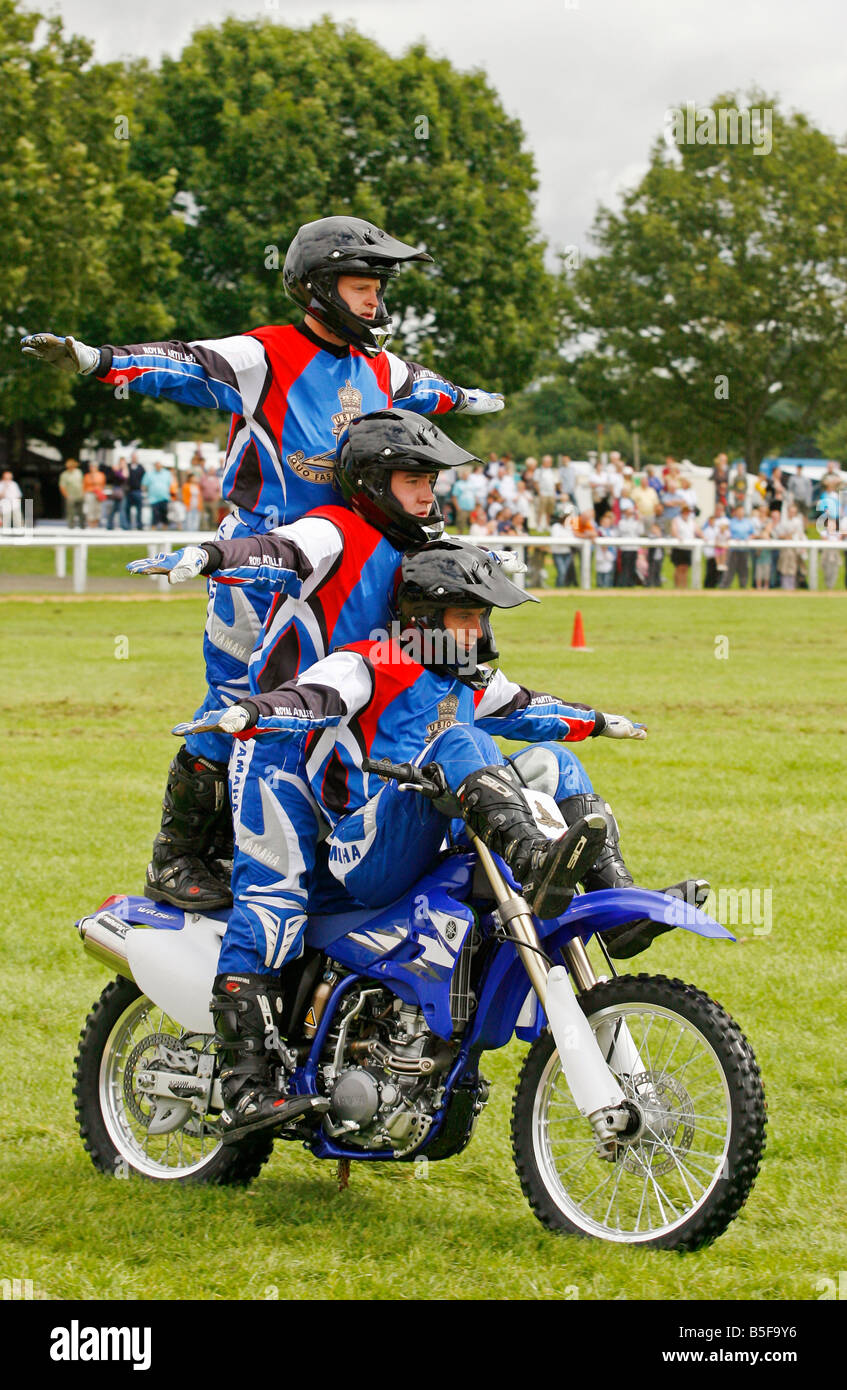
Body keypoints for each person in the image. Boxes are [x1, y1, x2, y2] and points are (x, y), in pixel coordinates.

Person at [22, 215, 503, 908]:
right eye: (360, 285)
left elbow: (429, 389)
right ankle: (179, 854)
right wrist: (99, 360)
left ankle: (332, 848)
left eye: (377, 286)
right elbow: (181, 362)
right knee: (234, 706)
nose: (374, 300)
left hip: (356, 564)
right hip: (261, 570)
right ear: (315, 286)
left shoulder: (381, 368)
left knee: (351, 699)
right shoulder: (264, 354)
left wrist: (470, 398)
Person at [181, 541, 705, 1137]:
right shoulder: (366, 663)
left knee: (552, 763)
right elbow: (311, 696)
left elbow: (536, 710)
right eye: (466, 618)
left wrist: (601, 721)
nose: (479, 631)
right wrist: (257, 709)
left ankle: (614, 905)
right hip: (361, 850)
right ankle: (533, 859)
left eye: (483, 618)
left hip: (432, 842)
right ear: (423, 619)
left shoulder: (470, 680)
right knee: (463, 745)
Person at [670, 502, 703, 589]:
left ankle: (684, 586)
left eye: (687, 511)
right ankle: (678, 586)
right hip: (679, 547)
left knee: (685, 568)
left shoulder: (691, 521)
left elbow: (698, 531)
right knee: (679, 567)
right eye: (684, 511)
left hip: (688, 547)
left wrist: (704, 537)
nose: (686, 513)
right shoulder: (676, 520)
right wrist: (678, 537)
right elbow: (674, 531)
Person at [143, 459, 172, 527]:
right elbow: (144, 484)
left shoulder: (167, 473)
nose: (158, 467)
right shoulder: (149, 473)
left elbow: (170, 484)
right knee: (155, 513)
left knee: (164, 512)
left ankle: (165, 527)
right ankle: (153, 527)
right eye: (157, 465)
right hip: (153, 497)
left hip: (164, 496)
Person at [59, 458, 84, 528]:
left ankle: (82, 526)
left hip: (80, 494)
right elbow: (62, 486)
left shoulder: (79, 472)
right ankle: (71, 526)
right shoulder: (64, 474)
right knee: (71, 512)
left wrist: (83, 492)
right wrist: (67, 496)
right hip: (70, 496)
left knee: (81, 512)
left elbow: (83, 483)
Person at [82, 461, 107, 528]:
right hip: (90, 493)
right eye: (91, 466)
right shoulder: (87, 476)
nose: (93, 468)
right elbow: (84, 486)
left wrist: (100, 492)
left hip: (98, 493)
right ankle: (90, 524)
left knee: (97, 509)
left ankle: (96, 524)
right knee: (90, 509)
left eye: (94, 466)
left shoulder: (101, 475)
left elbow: (103, 484)